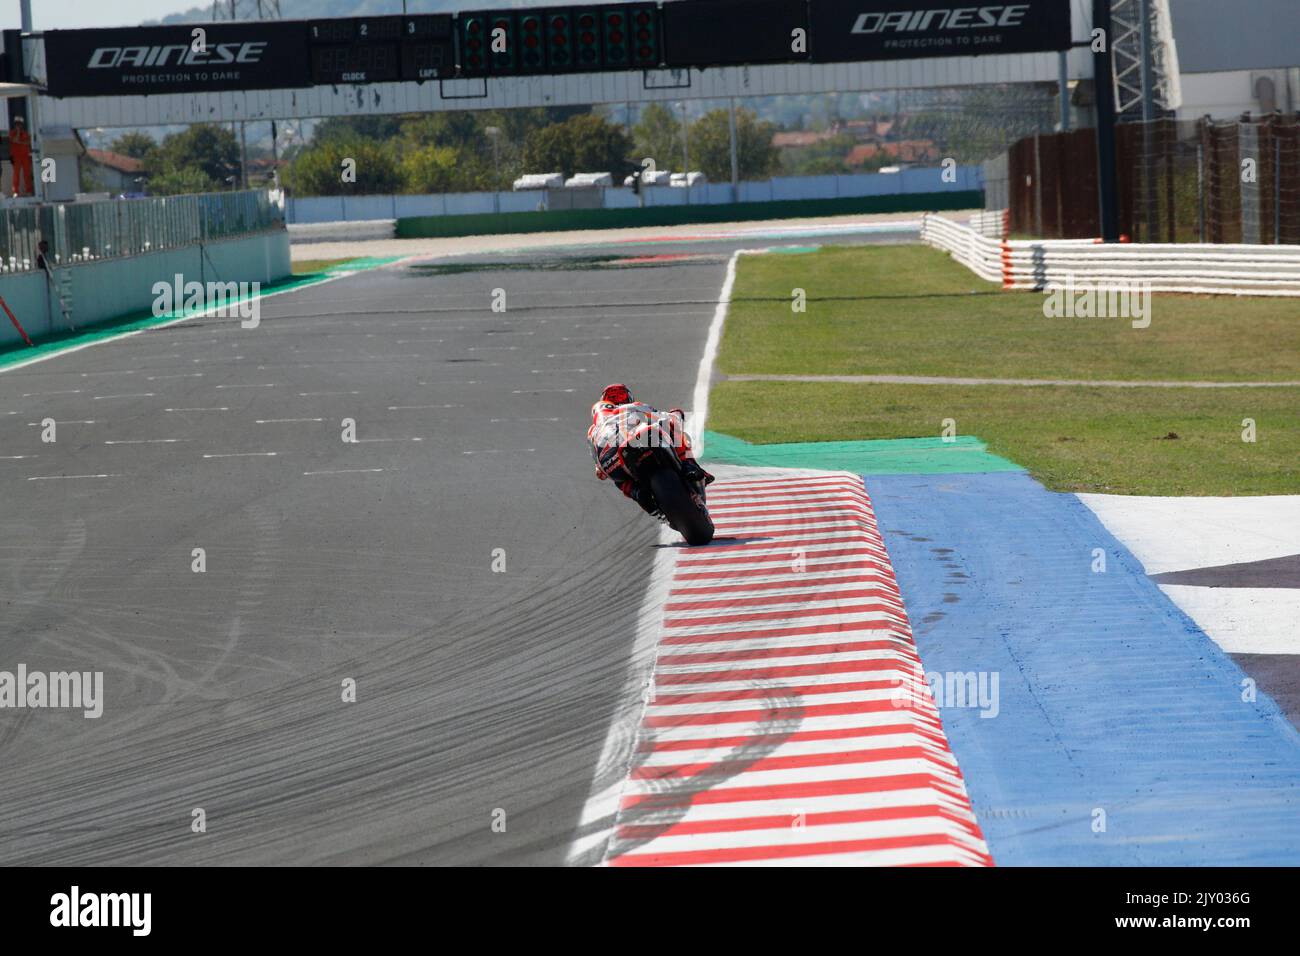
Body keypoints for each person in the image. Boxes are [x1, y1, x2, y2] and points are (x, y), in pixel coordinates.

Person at [587, 383, 714, 519]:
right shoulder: (634, 407)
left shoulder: (593, 431)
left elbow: (600, 473)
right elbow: (663, 417)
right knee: (675, 427)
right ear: (629, 397)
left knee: (619, 479)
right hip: (640, 440)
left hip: (612, 461)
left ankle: (637, 493)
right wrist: (676, 414)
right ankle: (689, 464)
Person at [9, 116, 32, 198]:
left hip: (25, 156)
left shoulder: (26, 133)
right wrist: (18, 133)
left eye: (19, 124)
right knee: (16, 175)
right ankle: (15, 191)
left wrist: (20, 142)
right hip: (16, 157)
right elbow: (15, 140)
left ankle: (29, 191)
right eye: (17, 124)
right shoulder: (12, 133)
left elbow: (28, 142)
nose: (18, 126)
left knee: (27, 174)